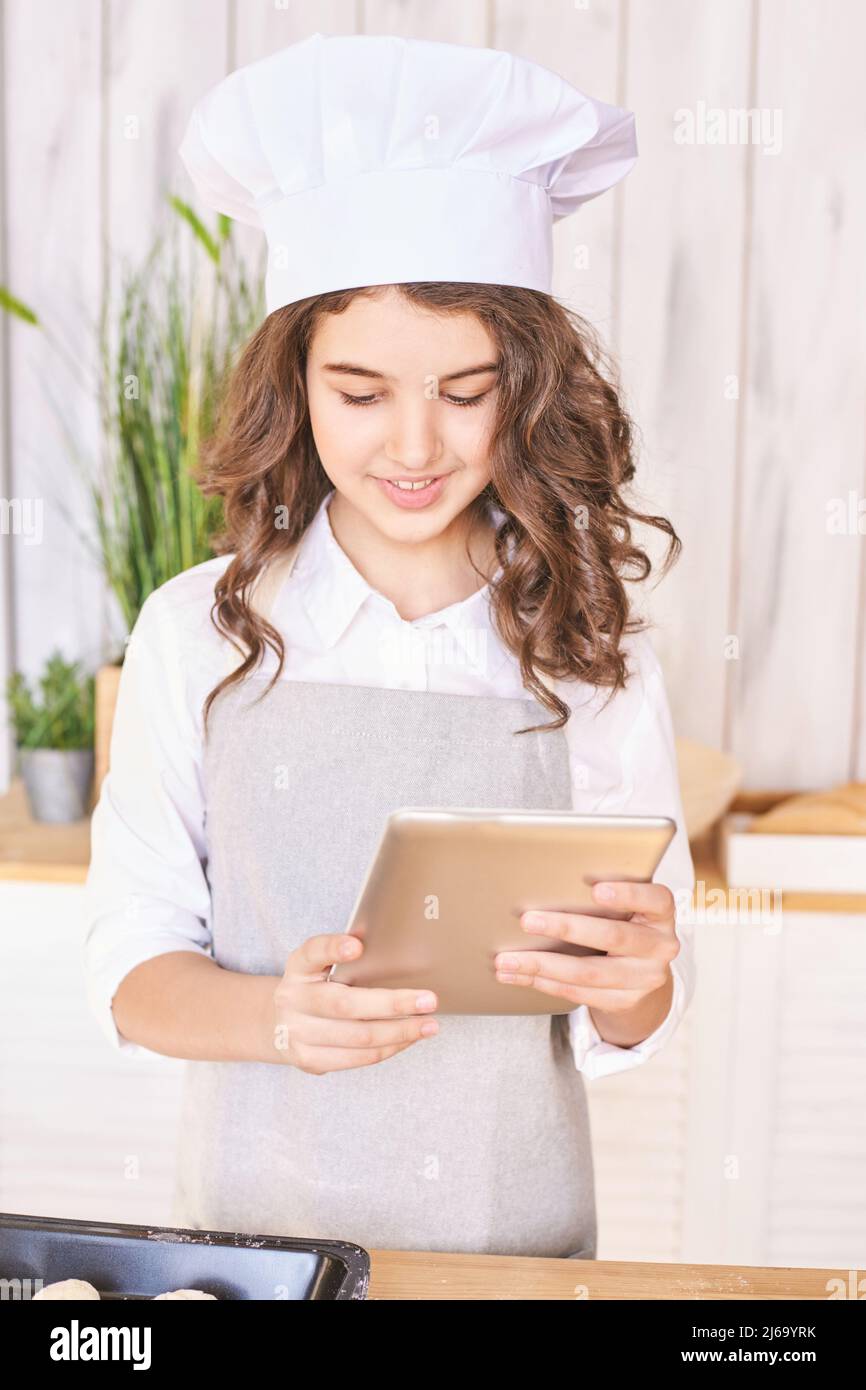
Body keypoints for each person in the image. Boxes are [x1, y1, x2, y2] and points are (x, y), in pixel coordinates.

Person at [83, 32, 695, 1260]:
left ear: (522, 388)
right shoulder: (195, 633)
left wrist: (632, 978)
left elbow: (636, 1010)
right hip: (252, 1258)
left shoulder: (589, 647)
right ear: (293, 385)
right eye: (360, 393)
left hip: (515, 1256)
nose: (412, 446)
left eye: (463, 392)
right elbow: (133, 972)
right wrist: (274, 1017)